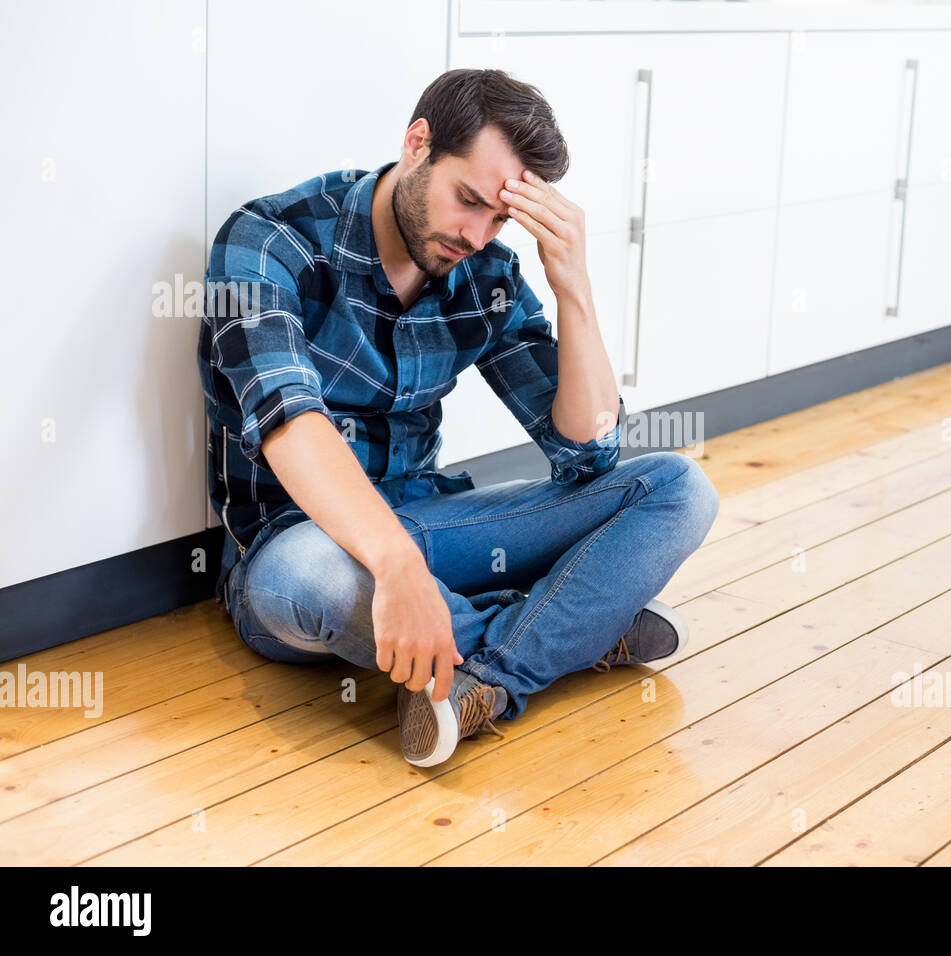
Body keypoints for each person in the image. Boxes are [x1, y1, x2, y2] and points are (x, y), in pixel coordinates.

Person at [196, 69, 719, 768]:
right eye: (467, 200)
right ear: (417, 145)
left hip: (436, 526)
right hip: (301, 544)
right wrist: (396, 564)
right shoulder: (266, 241)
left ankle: (489, 679)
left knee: (681, 489)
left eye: (500, 217)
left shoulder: (486, 274)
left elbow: (586, 456)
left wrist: (576, 291)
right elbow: (291, 422)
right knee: (316, 579)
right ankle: (568, 630)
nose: (477, 234)